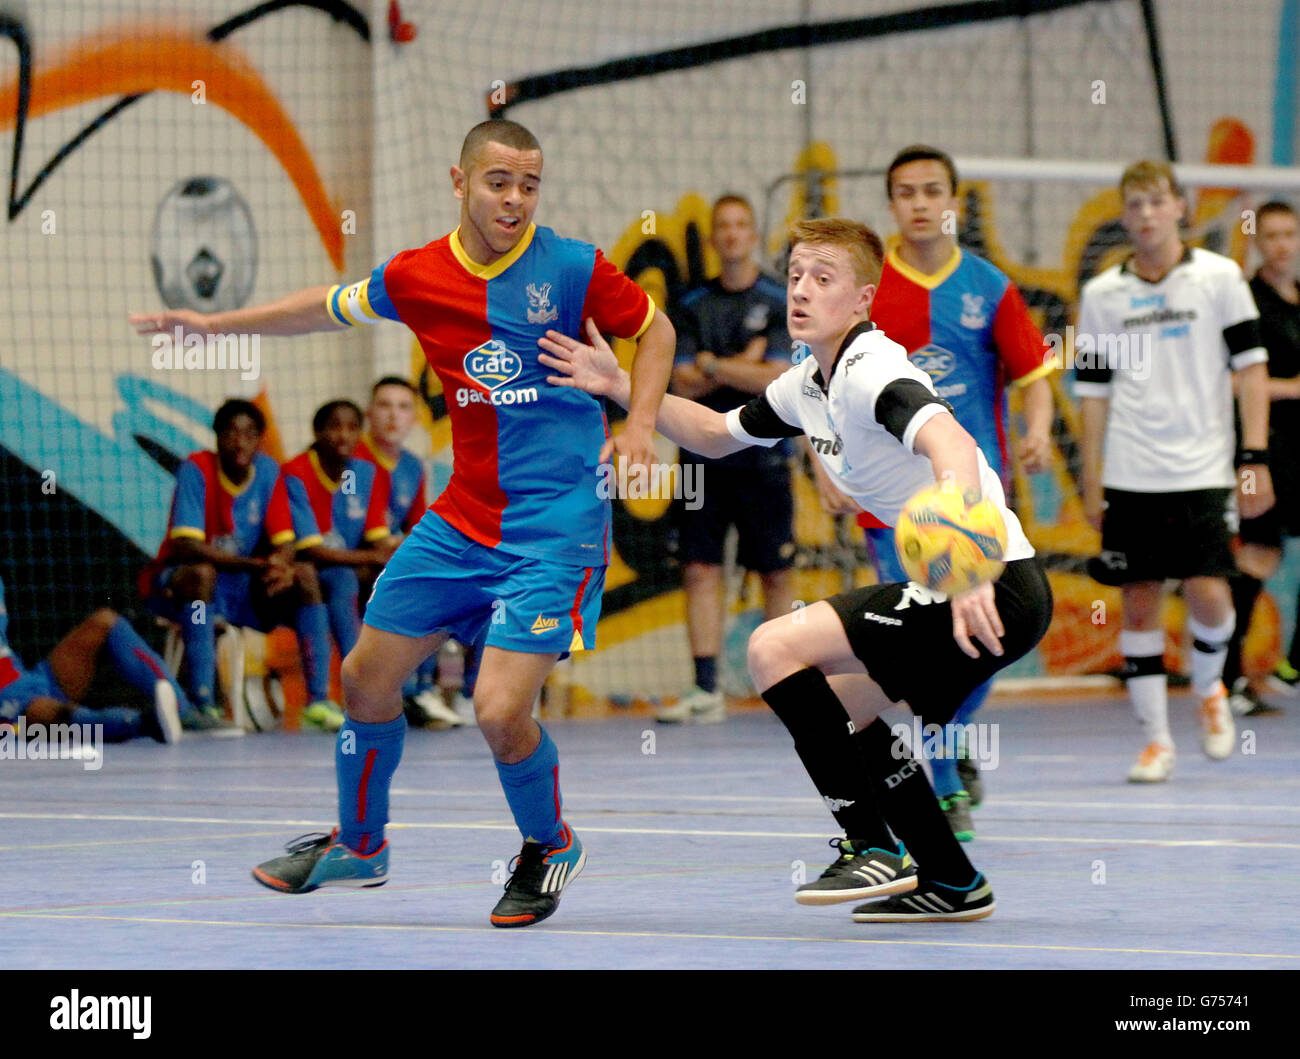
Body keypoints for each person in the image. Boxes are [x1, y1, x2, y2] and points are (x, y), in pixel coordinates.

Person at [131, 118, 674, 927]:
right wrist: (216, 326)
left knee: (496, 711)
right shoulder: (418, 275)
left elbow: (654, 329)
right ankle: (360, 843)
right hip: (461, 519)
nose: (516, 199)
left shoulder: (570, 266)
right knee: (363, 678)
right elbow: (324, 307)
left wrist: (639, 425)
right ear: (460, 183)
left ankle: (549, 842)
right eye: (499, 182)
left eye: (530, 184)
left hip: (555, 524)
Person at [540, 217, 1052, 922]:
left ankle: (871, 842)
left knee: (770, 647)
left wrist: (966, 570)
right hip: (975, 591)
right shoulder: (809, 383)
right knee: (847, 703)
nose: (802, 290)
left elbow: (955, 446)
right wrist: (624, 386)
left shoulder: (875, 371)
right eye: (797, 274)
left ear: (863, 300)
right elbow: (716, 436)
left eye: (824, 278)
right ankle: (951, 877)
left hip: (992, 585)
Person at [808, 145, 1054, 839]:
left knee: (988, 637)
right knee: (926, 640)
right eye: (905, 192)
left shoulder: (987, 285)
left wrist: (1036, 427)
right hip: (892, 508)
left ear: (953, 201)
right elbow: (810, 381)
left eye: (932, 191)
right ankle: (944, 778)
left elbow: (1032, 370)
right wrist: (823, 462)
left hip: (975, 501)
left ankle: (946, 741)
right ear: (890, 205)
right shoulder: (864, 289)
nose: (919, 203)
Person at [1076, 159, 1272, 783]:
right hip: (1132, 471)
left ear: (1180, 208)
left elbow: (1251, 371)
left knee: (1211, 594)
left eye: (1157, 202)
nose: (1146, 215)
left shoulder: (1220, 278)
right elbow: (1095, 394)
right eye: (1133, 205)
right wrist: (1091, 477)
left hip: (1205, 467)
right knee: (1138, 605)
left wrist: (1255, 459)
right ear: (1124, 215)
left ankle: (1211, 688)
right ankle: (1157, 741)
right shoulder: (1104, 294)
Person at [660, 194, 795, 724]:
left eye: (742, 225)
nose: (733, 234)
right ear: (714, 239)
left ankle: (785, 686)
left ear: (754, 234)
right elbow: (680, 384)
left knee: (776, 571)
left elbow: (780, 380)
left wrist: (713, 367)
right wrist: (740, 364)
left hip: (766, 455)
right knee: (700, 568)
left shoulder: (780, 299)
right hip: (700, 458)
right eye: (724, 227)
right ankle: (705, 689)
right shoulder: (691, 305)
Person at [140, 398, 333, 731]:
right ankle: (203, 704)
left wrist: (280, 563)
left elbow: (285, 541)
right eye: (230, 432)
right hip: (183, 592)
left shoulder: (269, 470)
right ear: (216, 437)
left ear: (259, 439)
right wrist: (257, 564)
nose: (239, 441)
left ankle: (317, 702)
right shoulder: (196, 469)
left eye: (249, 434)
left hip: (243, 589)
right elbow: (187, 546)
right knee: (202, 574)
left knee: (304, 576)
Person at [1221, 200, 1300, 715]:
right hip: (1267, 449)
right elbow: (1229, 380)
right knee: (1258, 556)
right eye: (1270, 235)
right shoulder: (1247, 301)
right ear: (1257, 242)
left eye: (1289, 234)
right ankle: (1228, 681)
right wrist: (1289, 389)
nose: (1281, 244)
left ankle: (1291, 665)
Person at [353, 375, 466, 729]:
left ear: (414, 418)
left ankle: (448, 692)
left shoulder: (415, 466)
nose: (393, 416)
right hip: (354, 565)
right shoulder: (352, 459)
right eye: (384, 405)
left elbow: (419, 530)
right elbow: (374, 538)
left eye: (403, 407)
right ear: (369, 413)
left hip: (388, 563)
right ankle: (406, 693)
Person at [280, 399, 398, 731]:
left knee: (410, 582)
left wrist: (396, 555)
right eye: (334, 426)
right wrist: (373, 558)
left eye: (352, 427)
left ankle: (416, 690)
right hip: (304, 579)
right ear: (317, 432)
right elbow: (311, 551)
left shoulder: (366, 472)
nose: (344, 435)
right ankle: (340, 697)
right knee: (344, 580)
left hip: (349, 570)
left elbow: (378, 541)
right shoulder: (296, 472)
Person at [1, 574, 189, 743]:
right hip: (10, 703)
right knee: (53, 715)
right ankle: (146, 724)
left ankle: (182, 710)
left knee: (104, 621)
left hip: (25, 680)